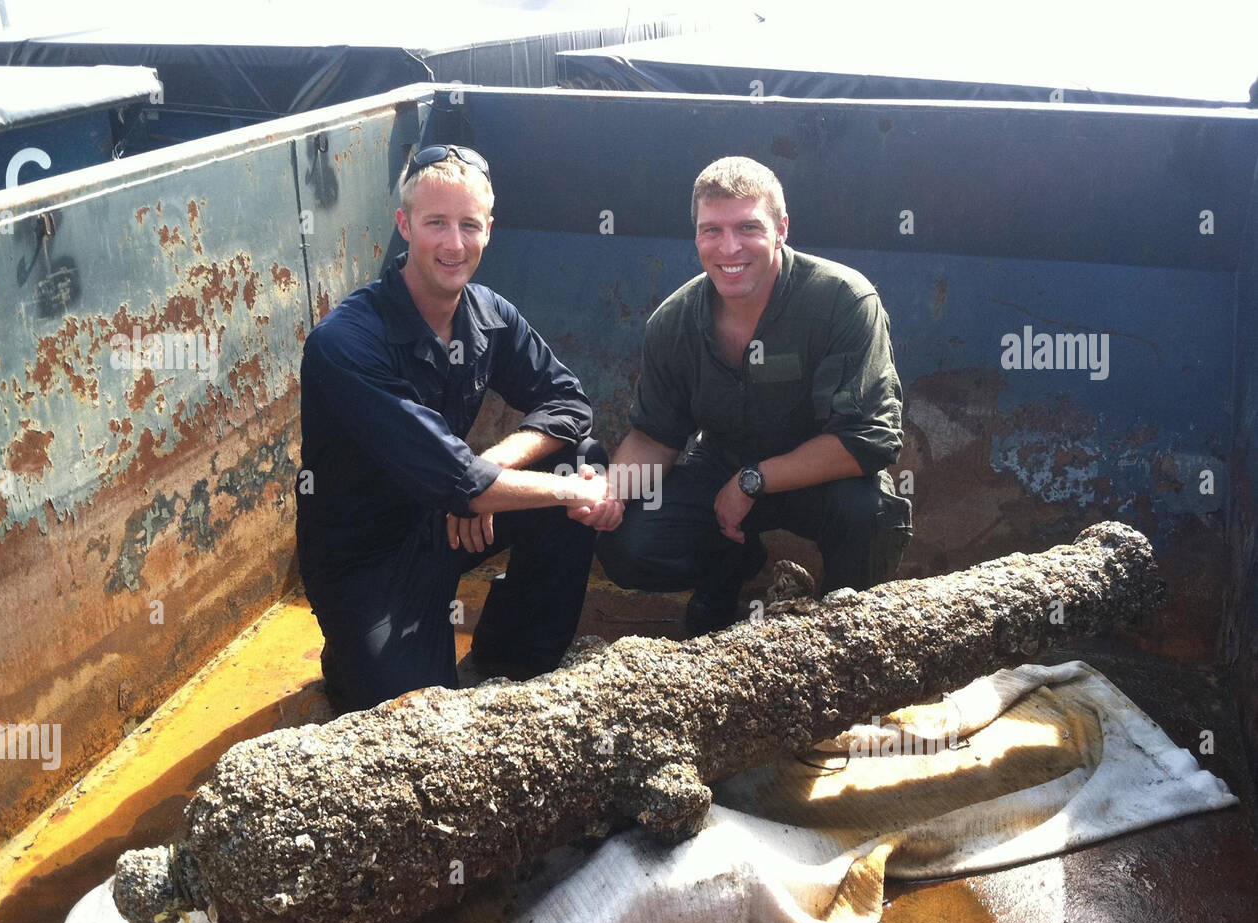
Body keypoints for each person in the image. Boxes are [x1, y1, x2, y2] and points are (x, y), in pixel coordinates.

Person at [296, 144, 614, 711]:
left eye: (469, 225)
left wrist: (490, 472)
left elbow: (568, 402)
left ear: (489, 229)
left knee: (580, 454)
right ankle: (350, 654)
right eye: (435, 223)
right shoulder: (345, 343)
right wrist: (565, 493)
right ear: (404, 225)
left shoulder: (490, 313)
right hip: (367, 557)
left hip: (448, 517)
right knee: (411, 715)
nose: (454, 243)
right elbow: (457, 479)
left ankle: (514, 662)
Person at [594, 156, 912, 634]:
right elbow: (656, 437)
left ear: (781, 227)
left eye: (748, 227)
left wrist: (753, 481)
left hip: (819, 477)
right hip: (720, 465)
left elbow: (867, 441)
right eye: (711, 230)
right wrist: (607, 494)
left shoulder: (844, 300)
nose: (729, 247)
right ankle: (728, 571)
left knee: (868, 514)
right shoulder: (673, 321)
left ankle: (845, 629)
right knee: (629, 544)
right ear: (696, 234)